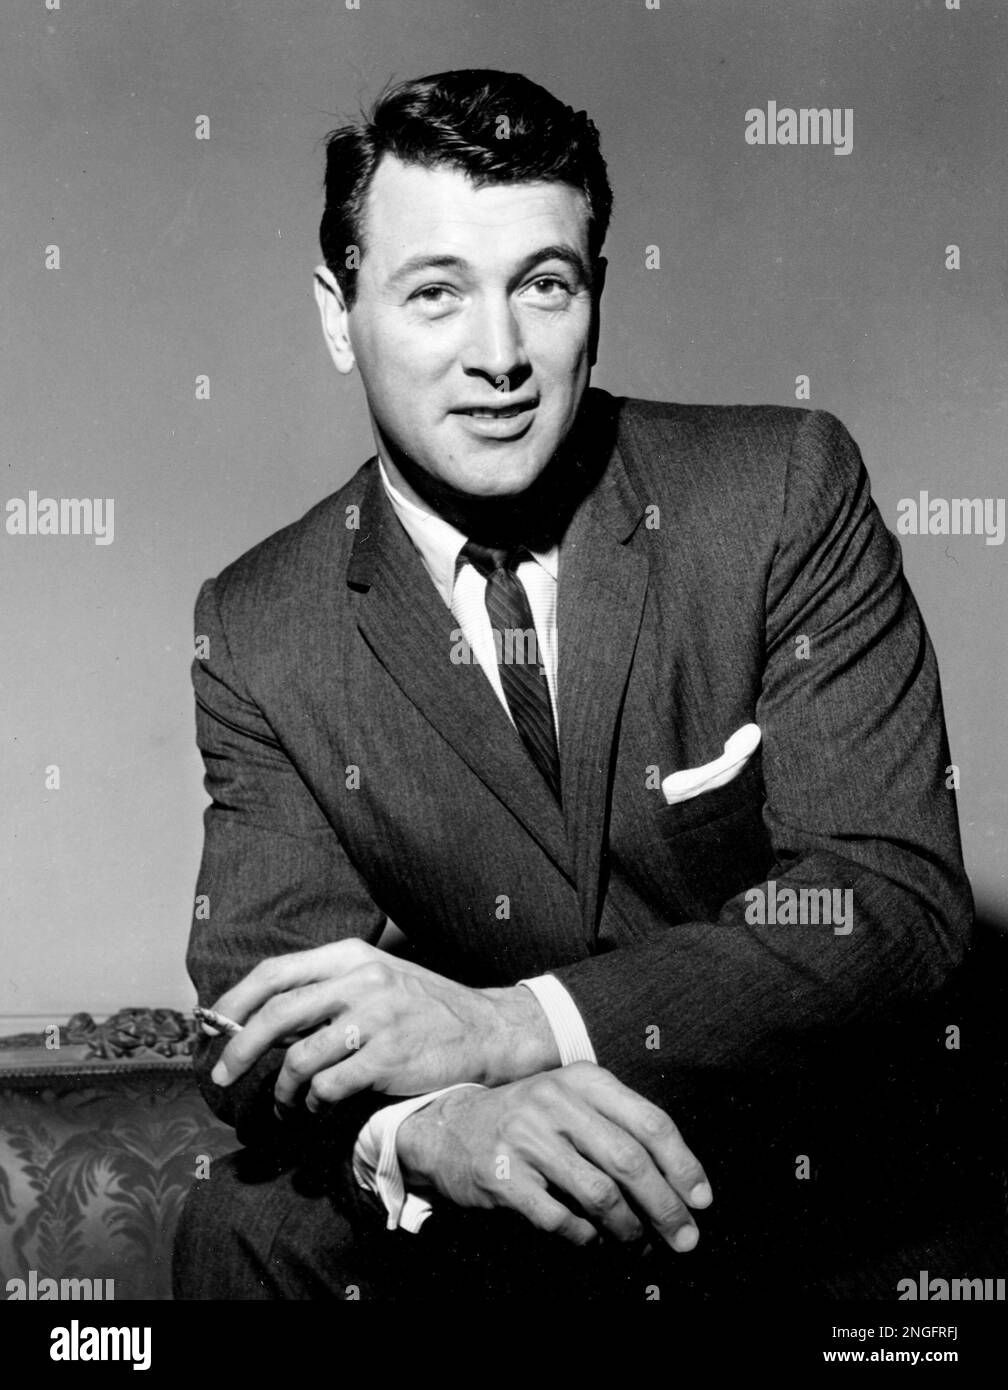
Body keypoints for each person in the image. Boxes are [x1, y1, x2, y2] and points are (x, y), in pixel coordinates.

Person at [173, 68, 975, 1301]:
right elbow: (259, 1006)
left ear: (594, 294)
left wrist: (510, 1026)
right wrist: (440, 1126)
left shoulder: (777, 491)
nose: (499, 357)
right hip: (495, 1224)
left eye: (543, 287)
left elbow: (892, 900)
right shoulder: (262, 621)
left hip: (782, 1186)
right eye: (435, 293)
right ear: (338, 314)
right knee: (247, 1232)